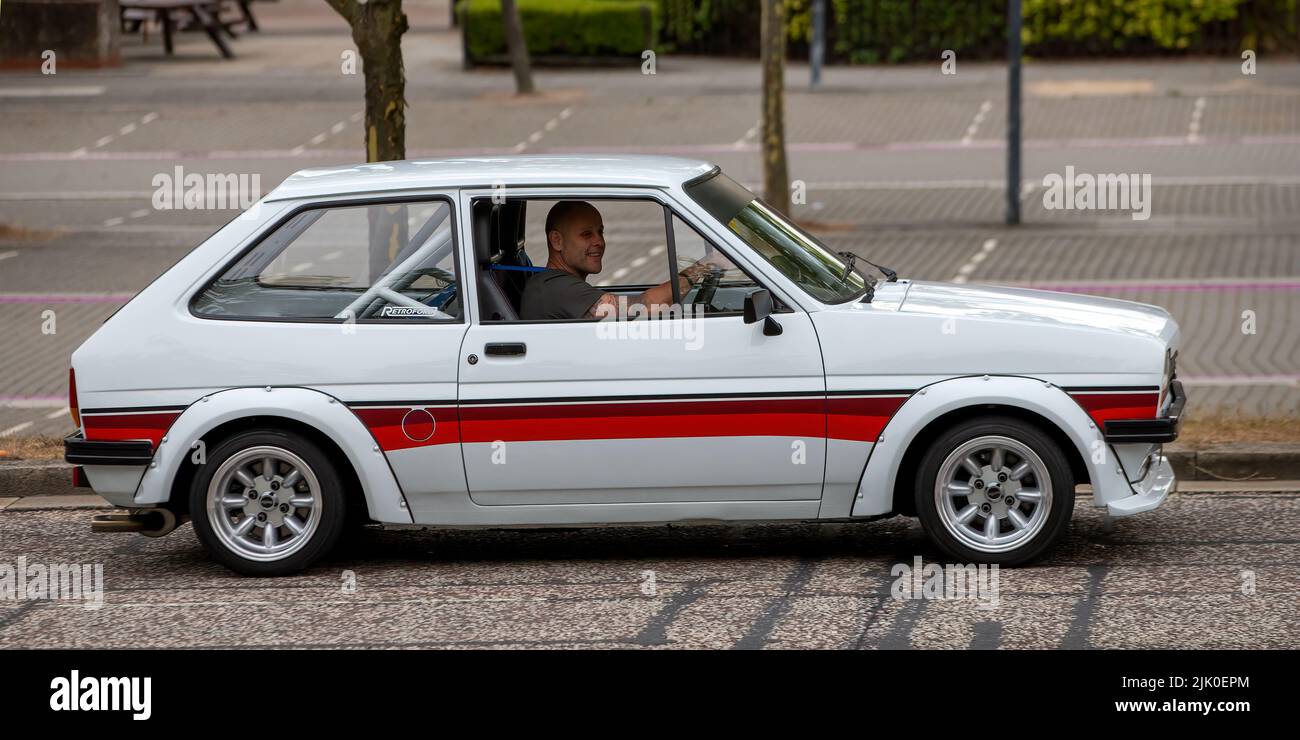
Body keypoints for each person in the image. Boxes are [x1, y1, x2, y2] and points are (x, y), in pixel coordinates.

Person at [519, 201, 719, 320]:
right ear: (557, 241)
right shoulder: (557, 289)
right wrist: (705, 266)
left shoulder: (554, 285)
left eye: (600, 232)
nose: (599, 241)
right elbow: (646, 307)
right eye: (587, 234)